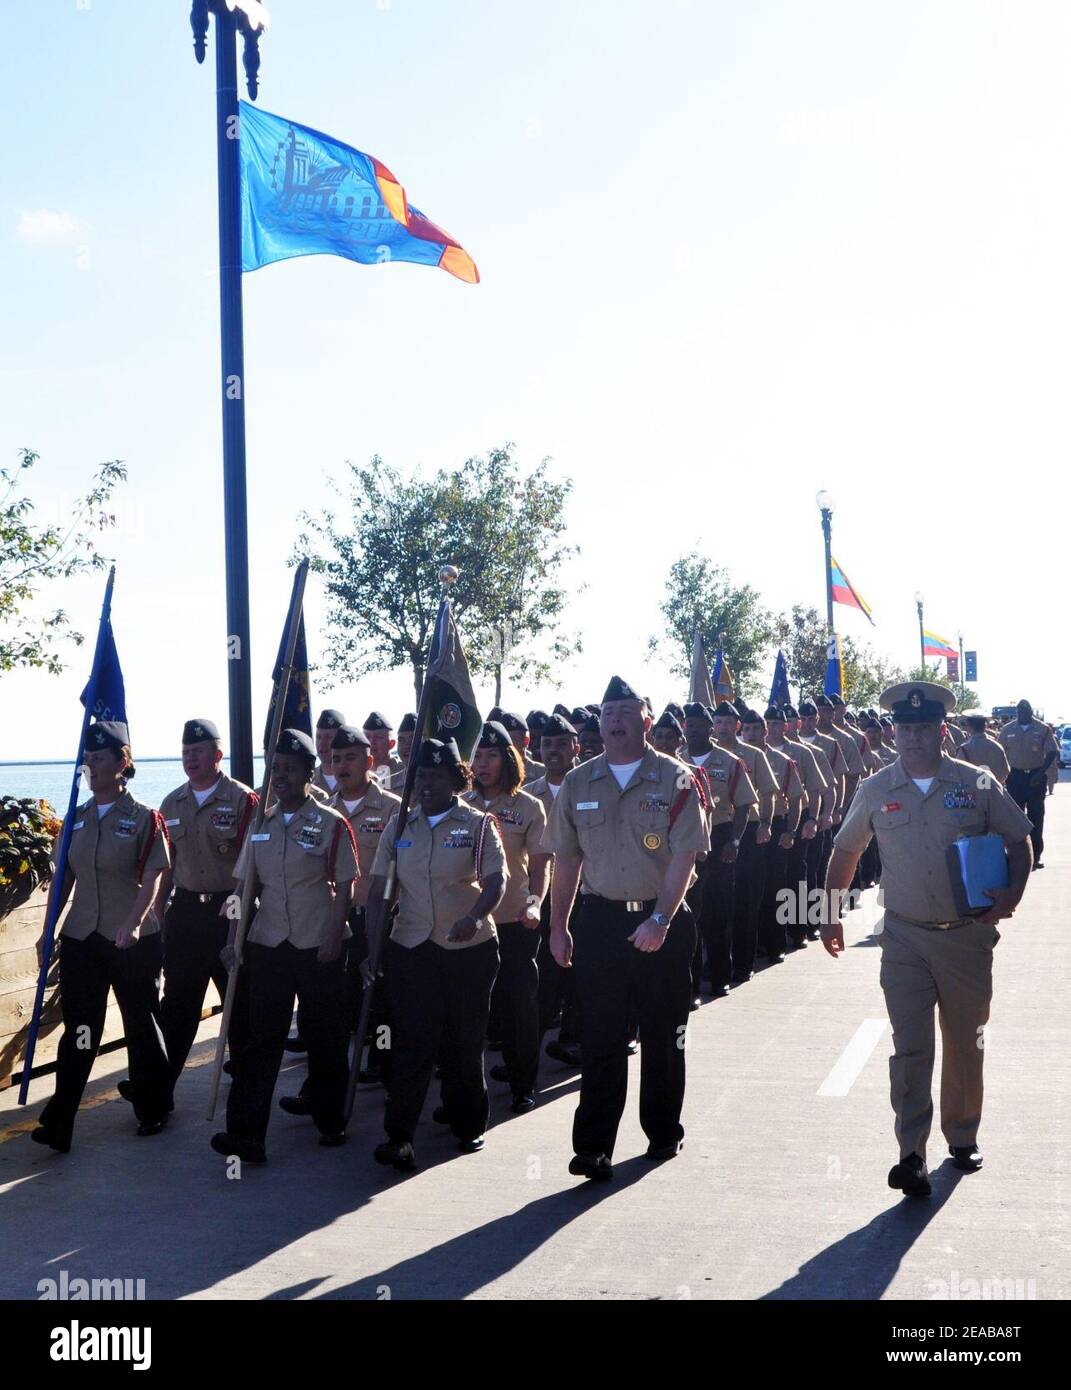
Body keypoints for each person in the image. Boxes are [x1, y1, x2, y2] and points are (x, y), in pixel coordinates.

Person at [822, 682, 1033, 1197]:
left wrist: (1010, 897)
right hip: (905, 938)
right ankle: (910, 1154)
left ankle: (962, 1136)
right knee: (910, 1046)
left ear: (941, 730)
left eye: (922, 727)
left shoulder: (977, 784)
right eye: (904, 727)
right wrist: (829, 914)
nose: (912, 736)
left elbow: (1019, 840)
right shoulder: (875, 789)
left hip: (965, 939)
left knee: (965, 1042)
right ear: (895, 732)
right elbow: (845, 851)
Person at [544, 677, 709, 1181]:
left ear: (646, 719)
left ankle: (663, 1131)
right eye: (607, 711)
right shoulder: (578, 782)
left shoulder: (676, 779)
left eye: (625, 710)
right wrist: (558, 925)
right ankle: (593, 1147)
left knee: (663, 1034)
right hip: (599, 924)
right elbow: (566, 859)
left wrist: (659, 918)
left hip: (661, 920)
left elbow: (686, 855)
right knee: (601, 1037)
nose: (614, 719)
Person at [211, 729, 358, 1164]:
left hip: (318, 943)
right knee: (261, 1041)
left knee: (325, 1037)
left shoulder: (331, 823)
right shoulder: (260, 824)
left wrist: (335, 935)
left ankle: (332, 1120)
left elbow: (347, 885)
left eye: (290, 769)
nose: (280, 777)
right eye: (275, 769)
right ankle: (246, 1135)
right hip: (269, 942)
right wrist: (231, 939)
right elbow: (243, 885)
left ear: (310, 773)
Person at [365, 739, 506, 1171]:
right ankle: (400, 1136)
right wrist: (372, 949)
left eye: (436, 776)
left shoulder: (479, 825)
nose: (426, 783)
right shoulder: (400, 827)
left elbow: (496, 881)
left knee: (463, 1041)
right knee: (412, 1042)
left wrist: (475, 916)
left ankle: (468, 1124)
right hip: (412, 948)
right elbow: (379, 892)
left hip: (467, 949)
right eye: (420, 775)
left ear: (455, 780)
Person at [32, 721, 171, 1153]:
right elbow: (63, 882)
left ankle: (153, 1107)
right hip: (82, 938)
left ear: (122, 764)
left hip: (130, 938)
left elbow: (153, 877)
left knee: (140, 1024)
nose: (91, 767)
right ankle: (60, 1122)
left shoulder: (145, 818)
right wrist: (46, 931)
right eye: (87, 760)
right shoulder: (76, 818)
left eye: (100, 759)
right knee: (80, 1029)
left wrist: (132, 922)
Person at [278, 724, 402, 1111]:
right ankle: (321, 1087)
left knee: (383, 1005)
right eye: (336, 759)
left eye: (351, 758)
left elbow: (403, 870)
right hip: (331, 923)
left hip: (378, 918)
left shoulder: (394, 808)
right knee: (329, 1013)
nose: (342, 765)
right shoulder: (319, 809)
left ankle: (387, 1071)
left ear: (370, 760)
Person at [154, 719, 257, 1104]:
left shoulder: (243, 800)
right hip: (186, 913)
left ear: (217, 754)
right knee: (177, 1005)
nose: (190, 759)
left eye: (197, 752)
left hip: (228, 910)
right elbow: (165, 866)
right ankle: (158, 1089)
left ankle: (246, 1090)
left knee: (239, 1007)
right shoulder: (171, 803)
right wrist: (159, 915)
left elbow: (251, 867)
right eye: (185, 752)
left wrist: (240, 919)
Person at [466, 721, 550, 1112]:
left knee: (519, 1006)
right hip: (468, 923)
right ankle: (463, 1094)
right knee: (468, 1012)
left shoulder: (528, 807)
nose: (483, 763)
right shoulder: (459, 806)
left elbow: (542, 863)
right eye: (477, 756)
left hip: (515, 921)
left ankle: (523, 1084)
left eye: (492, 755)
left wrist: (535, 901)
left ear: (508, 759)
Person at [527, 713, 584, 1066]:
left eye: (562, 744)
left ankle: (574, 1041)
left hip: (586, 893)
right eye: (548, 744)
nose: (554, 751)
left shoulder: (590, 785)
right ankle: (527, 1055)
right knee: (542, 976)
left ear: (575, 747)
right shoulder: (529, 795)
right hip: (543, 895)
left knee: (580, 973)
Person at [712, 701, 777, 983]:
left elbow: (768, 792)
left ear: (736, 726)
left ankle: (742, 961)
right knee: (716, 901)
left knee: (745, 900)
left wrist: (766, 823)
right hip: (713, 832)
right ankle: (715, 962)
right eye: (719, 721)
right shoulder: (694, 755)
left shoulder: (751, 755)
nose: (723, 726)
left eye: (728, 721)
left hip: (747, 831)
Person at [743, 709, 804, 964]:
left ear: (765, 732)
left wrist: (791, 831)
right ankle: (751, 943)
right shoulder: (734, 757)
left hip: (774, 826)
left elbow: (797, 797)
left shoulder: (782, 760)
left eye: (758, 728)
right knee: (749, 890)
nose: (752, 733)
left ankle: (776, 943)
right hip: (744, 828)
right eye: (747, 729)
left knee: (775, 887)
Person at [768, 706, 828, 947]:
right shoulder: (758, 753)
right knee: (773, 878)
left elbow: (815, 790)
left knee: (797, 874)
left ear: (787, 725)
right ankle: (773, 935)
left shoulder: (802, 753)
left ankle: (801, 928)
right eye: (768, 723)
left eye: (778, 723)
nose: (772, 727)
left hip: (797, 817)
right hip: (771, 820)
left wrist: (813, 818)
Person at [998, 700, 1057, 867]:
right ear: (1017, 712)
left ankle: (1036, 857)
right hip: (1015, 777)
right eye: (1020, 712)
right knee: (1015, 818)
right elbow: (999, 751)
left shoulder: (1043, 729)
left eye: (1026, 711)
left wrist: (1041, 773)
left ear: (1031, 712)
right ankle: (1017, 856)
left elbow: (1052, 751)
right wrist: (1004, 776)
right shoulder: (1007, 729)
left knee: (1036, 817)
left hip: (1035, 777)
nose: (1023, 714)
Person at [958, 714, 1010, 787]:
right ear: (985, 726)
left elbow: (959, 773)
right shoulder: (997, 746)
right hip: (994, 791)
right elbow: (1006, 771)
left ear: (969, 726)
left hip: (973, 793)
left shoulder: (965, 748)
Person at [498, 711, 545, 784]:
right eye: (503, 740)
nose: (506, 745)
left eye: (512, 740)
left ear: (526, 741)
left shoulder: (543, 773)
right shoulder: (494, 774)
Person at [363, 711, 403, 787]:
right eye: (367, 737)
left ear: (391, 744)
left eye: (378, 737)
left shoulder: (404, 772)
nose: (371, 742)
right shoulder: (355, 774)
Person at [312, 709, 346, 797]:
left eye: (329, 737)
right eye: (318, 737)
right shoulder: (307, 781)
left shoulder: (359, 779)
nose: (322, 743)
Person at [389, 713, 418, 792]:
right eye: (401, 740)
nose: (406, 746)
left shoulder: (436, 783)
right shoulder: (386, 785)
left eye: (412, 739)